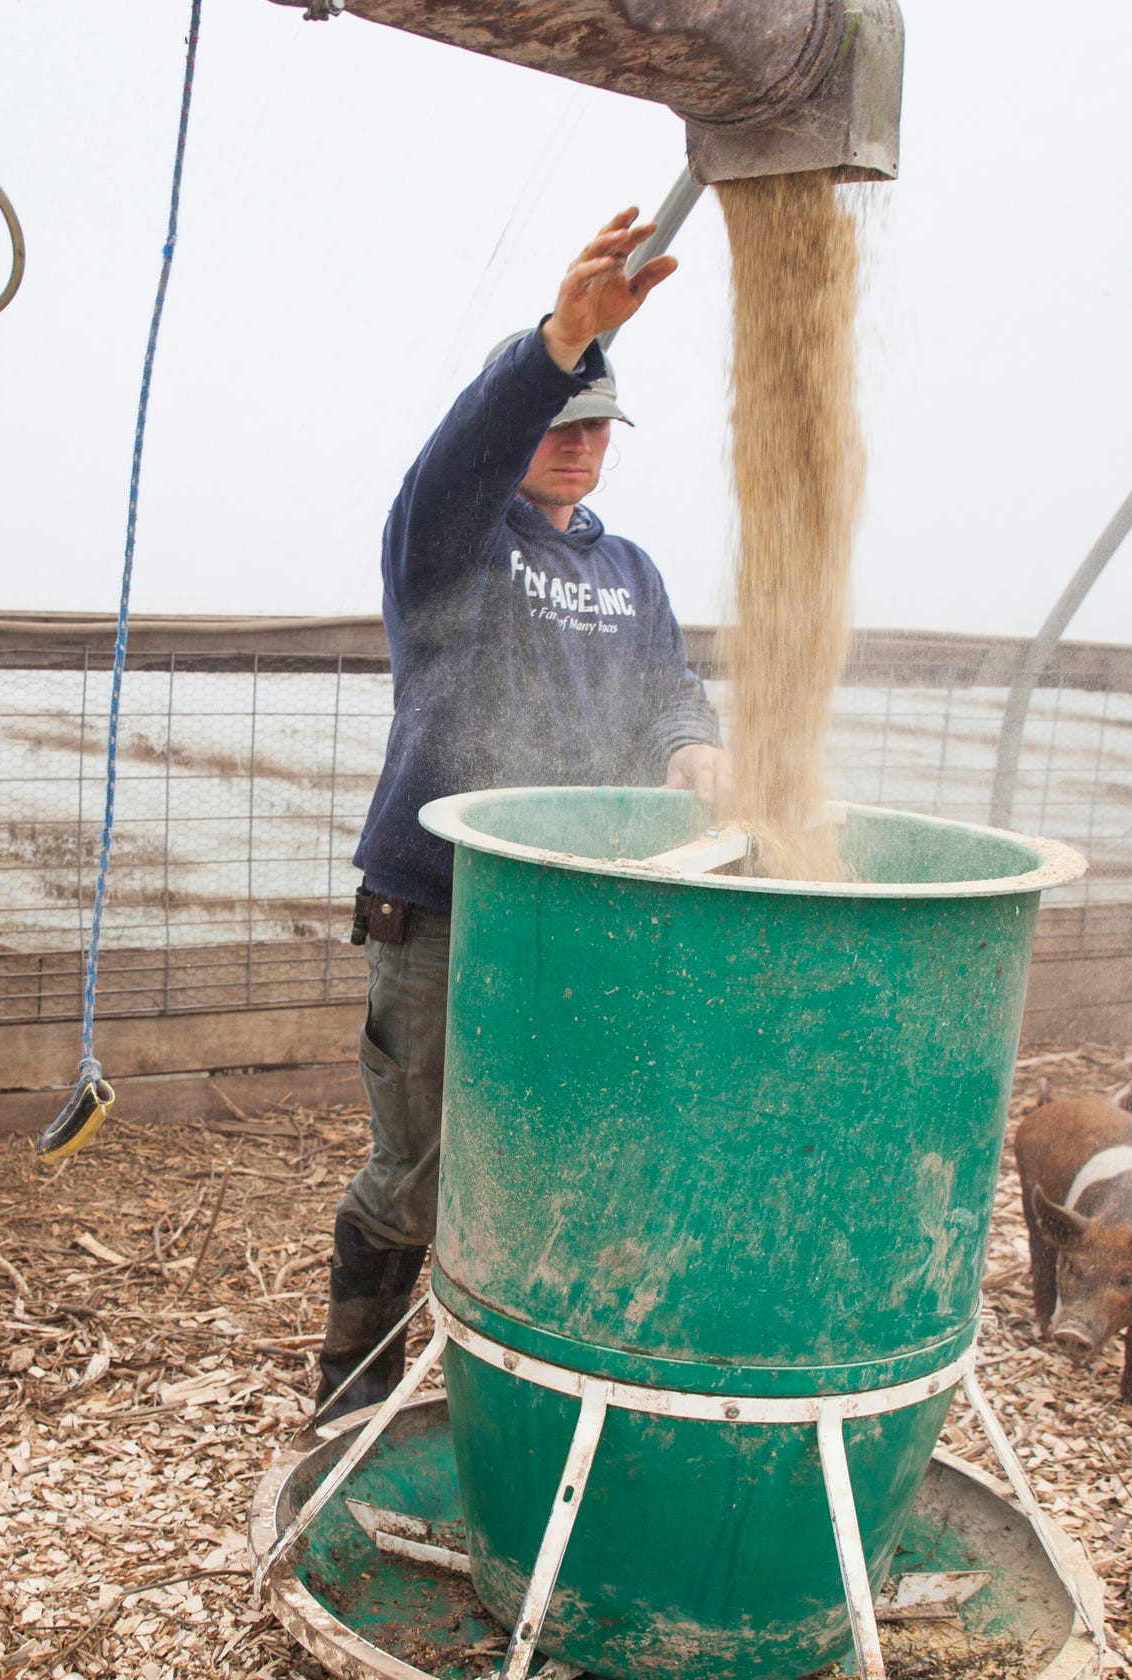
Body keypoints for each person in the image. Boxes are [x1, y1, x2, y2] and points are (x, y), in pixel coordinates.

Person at [313, 208, 730, 1423]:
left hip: (583, 906)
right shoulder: (450, 544)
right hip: (441, 906)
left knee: (567, 1155)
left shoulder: (628, 570)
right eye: (555, 420)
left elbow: (666, 685)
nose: (575, 441)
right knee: (423, 1171)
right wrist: (555, 343)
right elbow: (453, 461)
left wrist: (689, 740)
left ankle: (524, 1385)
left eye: (594, 423)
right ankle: (351, 1393)